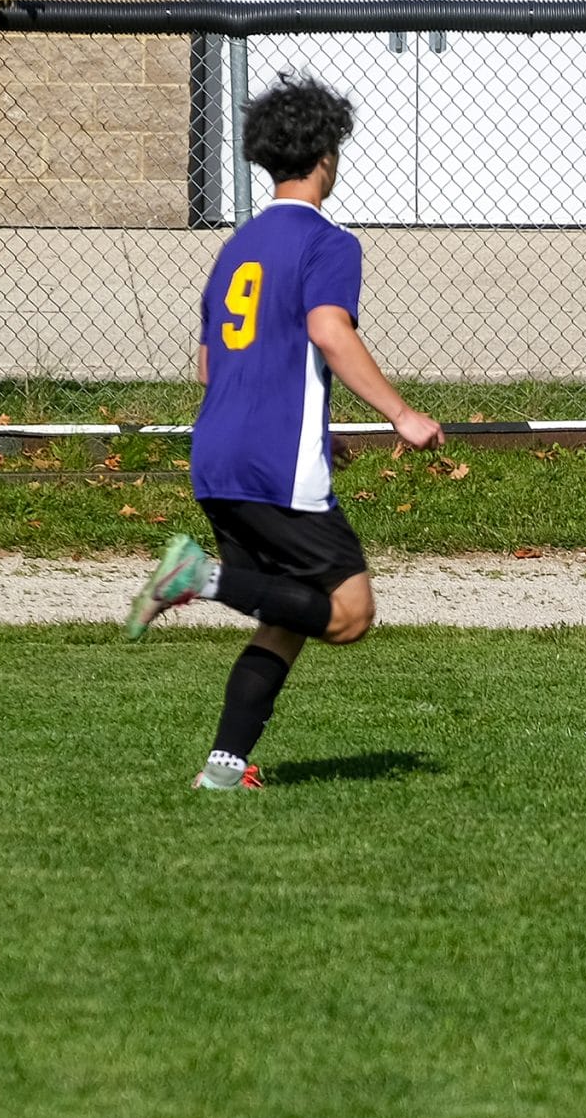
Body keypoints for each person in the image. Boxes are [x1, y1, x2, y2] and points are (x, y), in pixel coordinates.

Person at [123, 75, 445, 790]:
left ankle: (222, 768)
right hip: (273, 464)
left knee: (284, 613)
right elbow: (329, 331)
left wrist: (306, 425)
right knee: (349, 612)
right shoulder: (328, 242)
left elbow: (212, 364)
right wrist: (402, 412)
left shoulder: (235, 248)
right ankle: (195, 575)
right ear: (328, 154)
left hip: (216, 456)